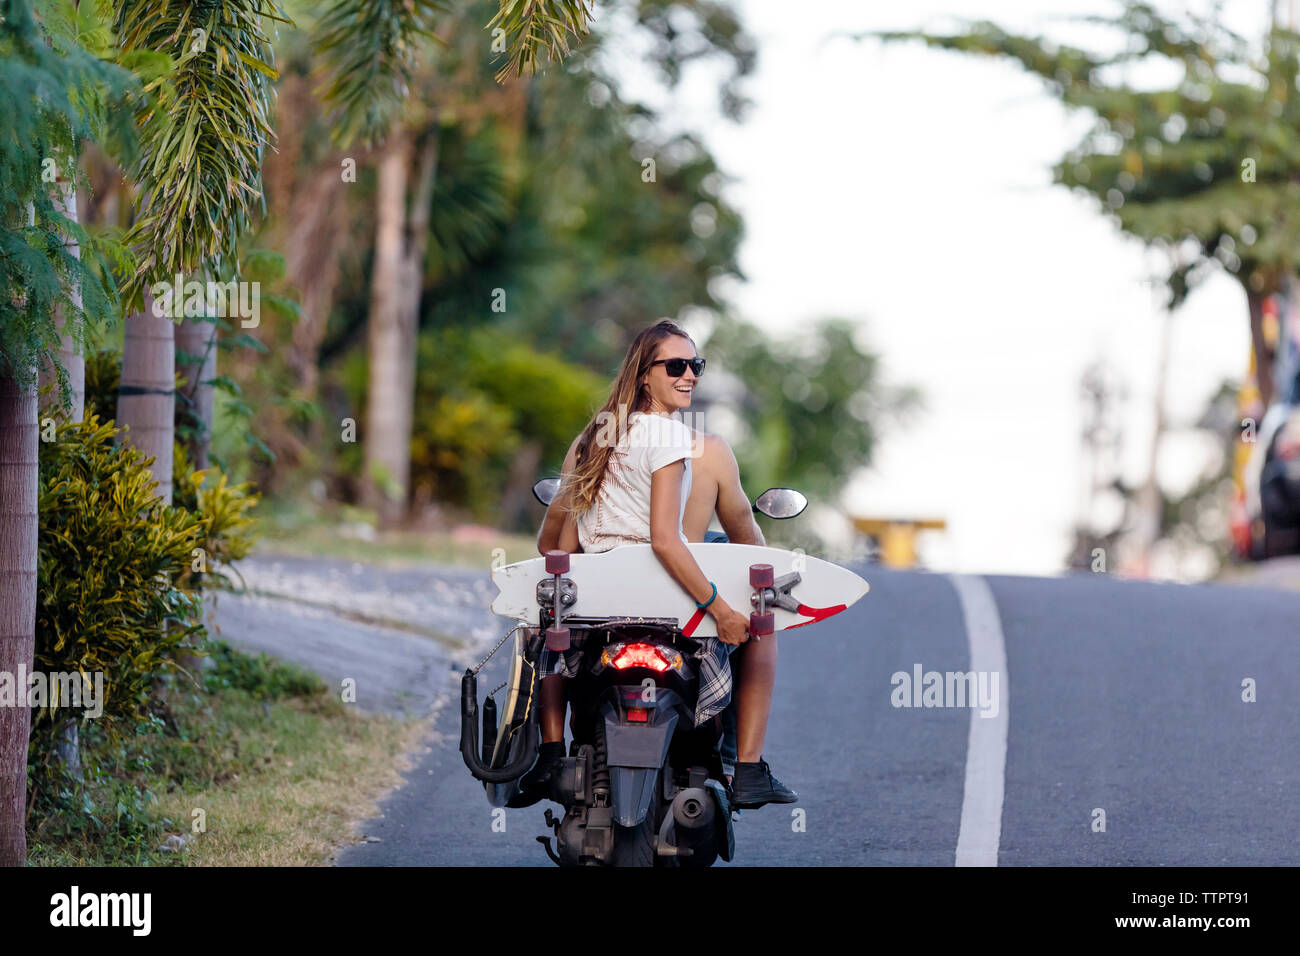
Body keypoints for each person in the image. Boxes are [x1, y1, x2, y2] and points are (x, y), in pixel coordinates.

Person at [524, 319, 796, 809]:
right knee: (761, 624)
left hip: (598, 611)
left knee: (549, 624)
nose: (690, 374)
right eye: (676, 365)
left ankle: (549, 754)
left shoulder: (592, 441)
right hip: (675, 603)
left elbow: (557, 546)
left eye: (696, 365)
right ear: (644, 374)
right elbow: (674, 542)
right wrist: (722, 608)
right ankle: (747, 768)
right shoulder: (687, 443)